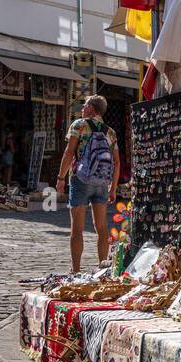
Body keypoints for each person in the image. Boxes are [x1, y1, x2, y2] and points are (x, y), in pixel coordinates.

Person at [55, 94, 120, 273]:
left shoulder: (79, 125)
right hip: (101, 183)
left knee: (77, 229)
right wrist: (113, 187)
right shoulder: (110, 132)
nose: (82, 109)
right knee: (101, 227)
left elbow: (69, 152)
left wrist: (61, 178)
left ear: (91, 108)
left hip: (80, 180)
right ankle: (102, 268)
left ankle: (76, 270)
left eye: (84, 105)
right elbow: (117, 162)